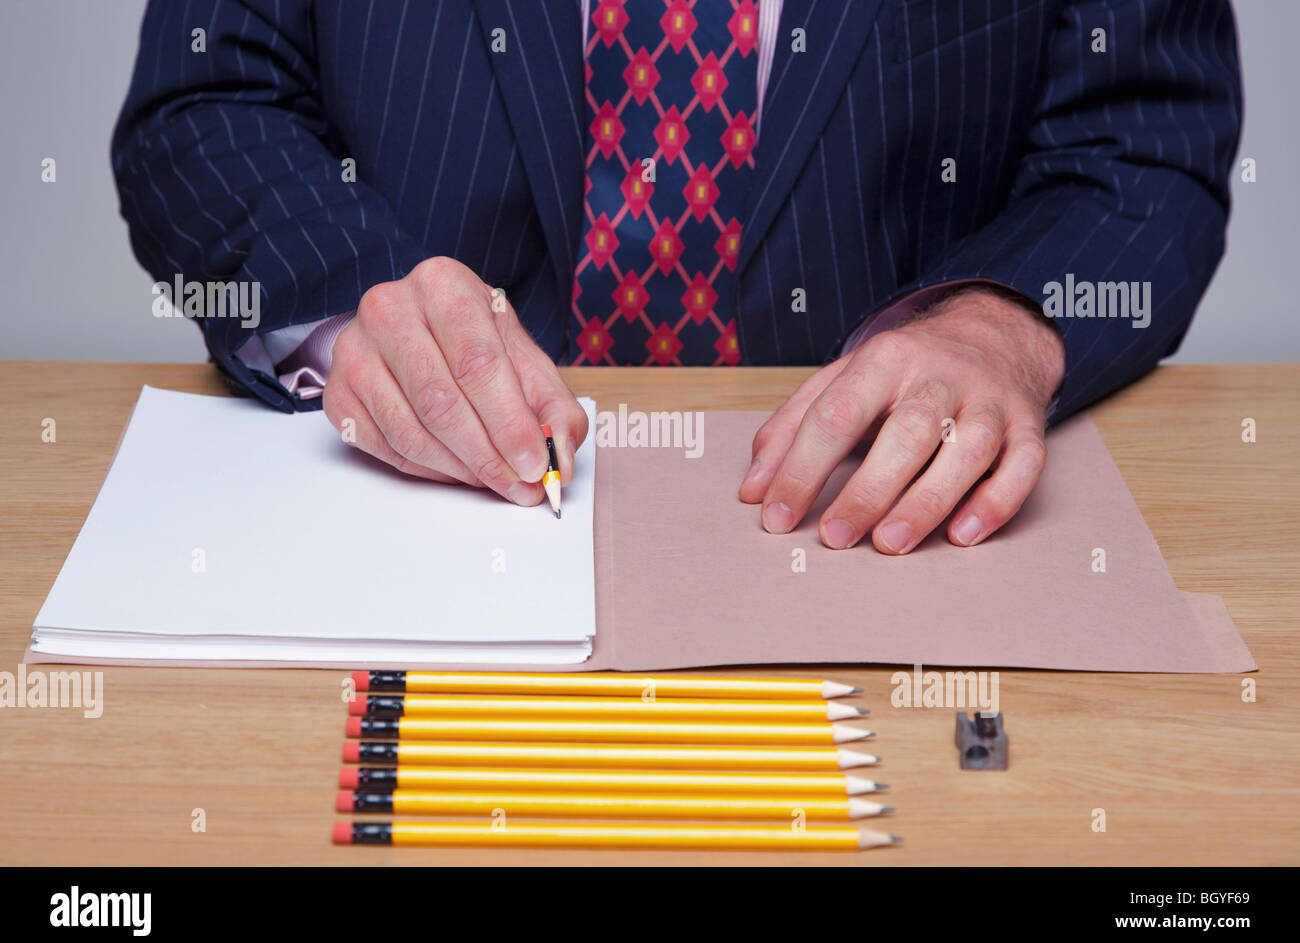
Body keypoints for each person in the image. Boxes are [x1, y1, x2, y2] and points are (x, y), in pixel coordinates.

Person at [112, 0, 1241, 553]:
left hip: (884, 545)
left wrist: (1000, 326)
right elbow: (206, 104)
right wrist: (356, 308)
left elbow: (1141, 138)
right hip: (417, 546)